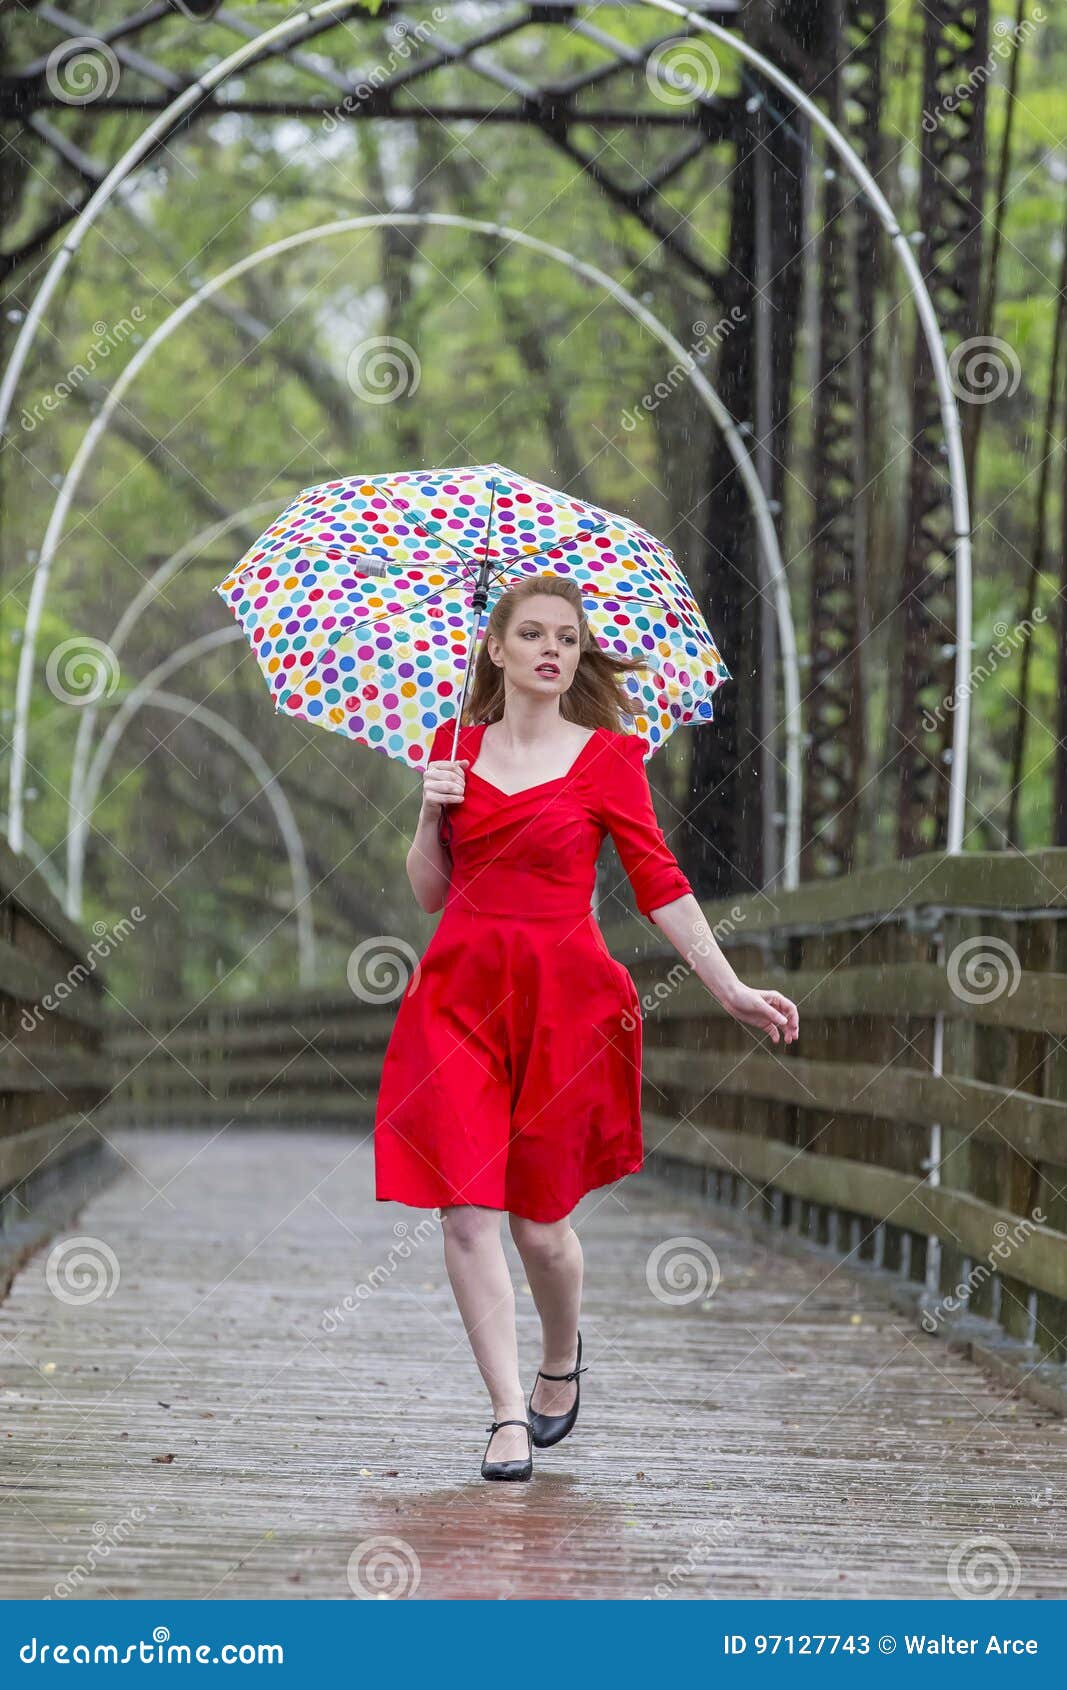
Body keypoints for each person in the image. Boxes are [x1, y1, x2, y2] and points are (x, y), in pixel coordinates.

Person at [374, 573, 799, 1481]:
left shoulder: (609, 758)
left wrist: (727, 987)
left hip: (566, 1003)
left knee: (539, 1231)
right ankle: (503, 1418)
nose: (551, 650)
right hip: (455, 996)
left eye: (565, 637)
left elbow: (661, 885)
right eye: (530, 634)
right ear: (495, 649)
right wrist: (427, 809)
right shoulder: (451, 746)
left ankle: (560, 1359)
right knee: (463, 1217)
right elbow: (430, 894)